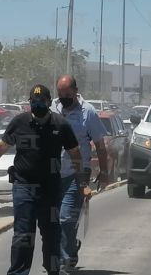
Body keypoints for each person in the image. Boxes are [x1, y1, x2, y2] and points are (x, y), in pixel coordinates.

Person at [0, 85, 91, 275]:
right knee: (23, 234)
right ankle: (18, 273)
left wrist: (82, 184)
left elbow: (75, 155)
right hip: (23, 187)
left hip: (50, 190)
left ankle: (52, 271)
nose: (37, 105)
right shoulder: (19, 122)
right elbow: (0, 148)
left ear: (49, 102)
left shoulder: (61, 125)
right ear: (29, 103)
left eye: (41, 101)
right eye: (33, 102)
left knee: (51, 234)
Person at [53, 75, 109, 272]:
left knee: (66, 218)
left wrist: (104, 172)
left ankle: (65, 261)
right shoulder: (52, 108)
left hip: (77, 173)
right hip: (52, 174)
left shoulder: (88, 112)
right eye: (60, 94)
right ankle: (69, 248)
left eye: (67, 94)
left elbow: (100, 146)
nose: (63, 98)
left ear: (76, 91)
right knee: (54, 218)